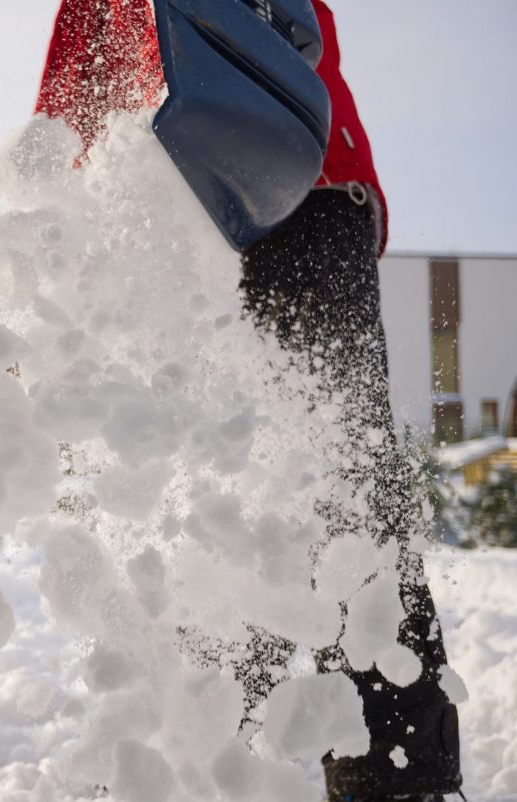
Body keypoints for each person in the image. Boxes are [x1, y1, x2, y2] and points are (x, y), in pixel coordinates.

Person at [36, 2, 463, 800]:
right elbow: (74, 89)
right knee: (237, 505)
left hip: (268, 197)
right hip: (205, 214)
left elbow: (76, 88)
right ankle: (224, 766)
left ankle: (378, 776)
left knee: (328, 500)